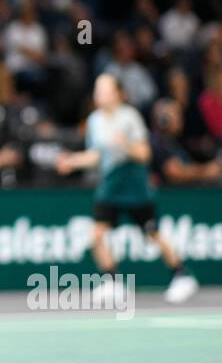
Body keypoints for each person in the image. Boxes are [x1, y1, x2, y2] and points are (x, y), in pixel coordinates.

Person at [55, 73, 199, 304]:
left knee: (152, 233)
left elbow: (144, 154)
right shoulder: (94, 120)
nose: (99, 94)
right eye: (96, 89)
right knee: (97, 235)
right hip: (111, 183)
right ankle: (112, 282)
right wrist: (72, 161)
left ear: (117, 93)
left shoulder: (130, 117)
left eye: (104, 90)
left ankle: (182, 275)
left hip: (133, 183)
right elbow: (96, 156)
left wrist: (125, 145)